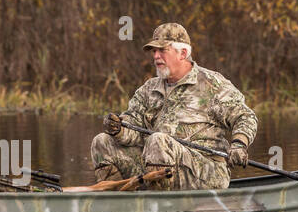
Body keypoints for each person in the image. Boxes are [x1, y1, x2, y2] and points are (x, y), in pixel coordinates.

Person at [91, 22, 257, 191]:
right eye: (154, 51)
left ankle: (160, 208)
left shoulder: (212, 84)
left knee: (158, 140)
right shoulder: (149, 89)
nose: (156, 56)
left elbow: (245, 117)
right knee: (102, 141)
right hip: (157, 166)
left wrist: (239, 145)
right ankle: (118, 204)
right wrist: (118, 128)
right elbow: (134, 129)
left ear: (183, 53)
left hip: (207, 172)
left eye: (162, 50)